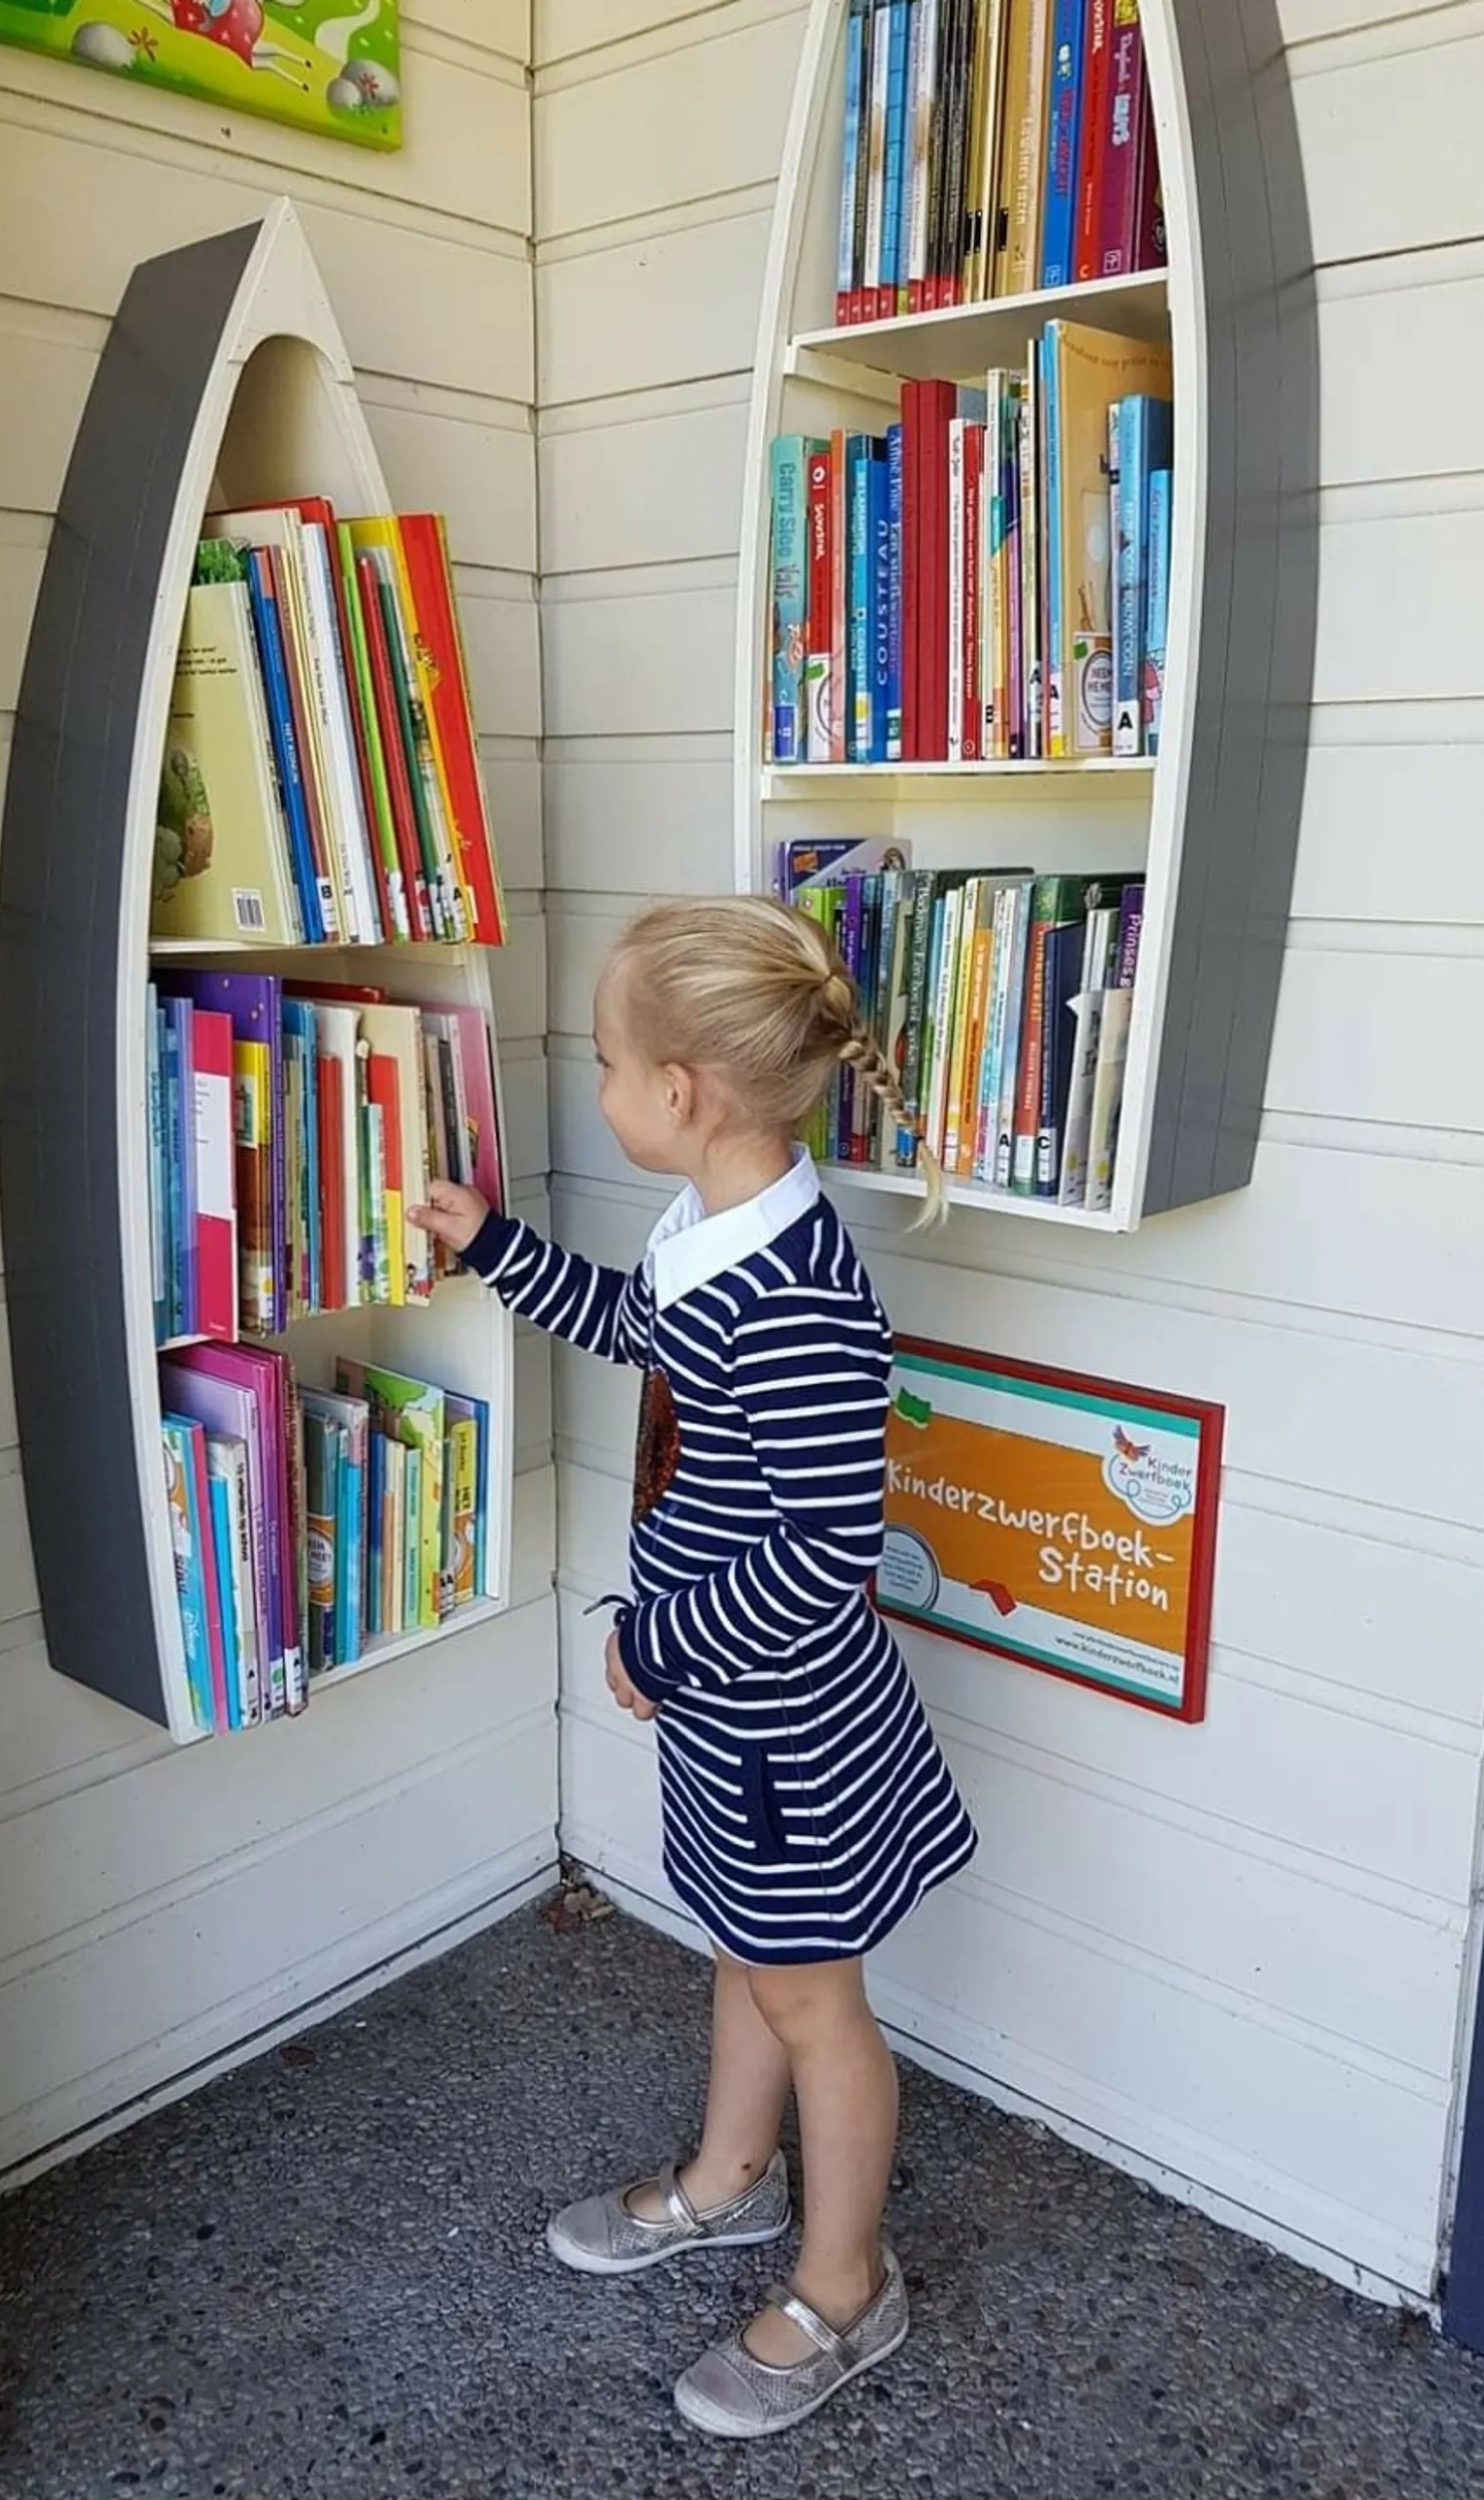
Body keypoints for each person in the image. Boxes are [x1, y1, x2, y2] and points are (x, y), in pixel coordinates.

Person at [410, 895, 977, 2441]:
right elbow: (644, 1332)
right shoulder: (723, 1230)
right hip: (734, 1719)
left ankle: (848, 2282)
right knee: (748, 1954)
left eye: (604, 1063)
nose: (594, 1086)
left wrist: (655, 1639)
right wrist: (500, 1251)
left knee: (816, 2004)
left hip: (787, 1728)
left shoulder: (792, 1296)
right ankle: (731, 2183)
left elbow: (821, 1552)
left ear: (684, 1094)